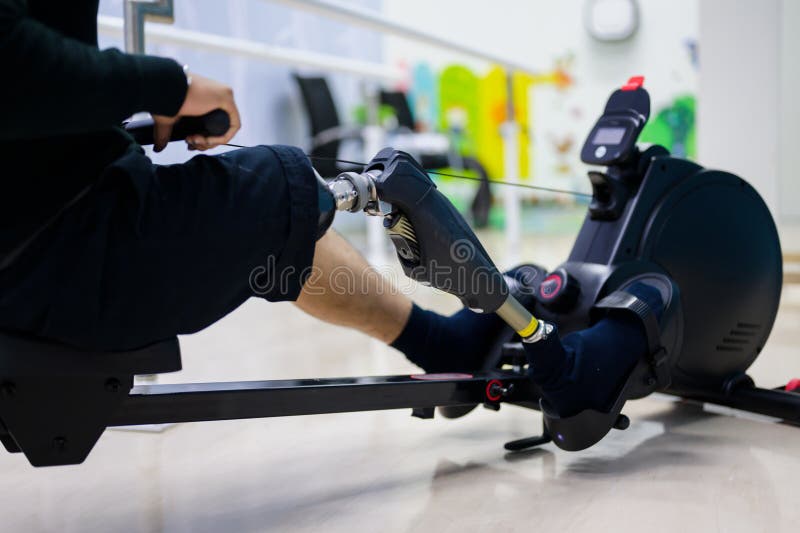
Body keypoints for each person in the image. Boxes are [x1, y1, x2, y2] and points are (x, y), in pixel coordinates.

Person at [0, 0, 664, 420]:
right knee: (278, 186)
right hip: (56, 248)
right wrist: (167, 84)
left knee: (271, 222)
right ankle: (563, 368)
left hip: (46, 230)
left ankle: (446, 342)